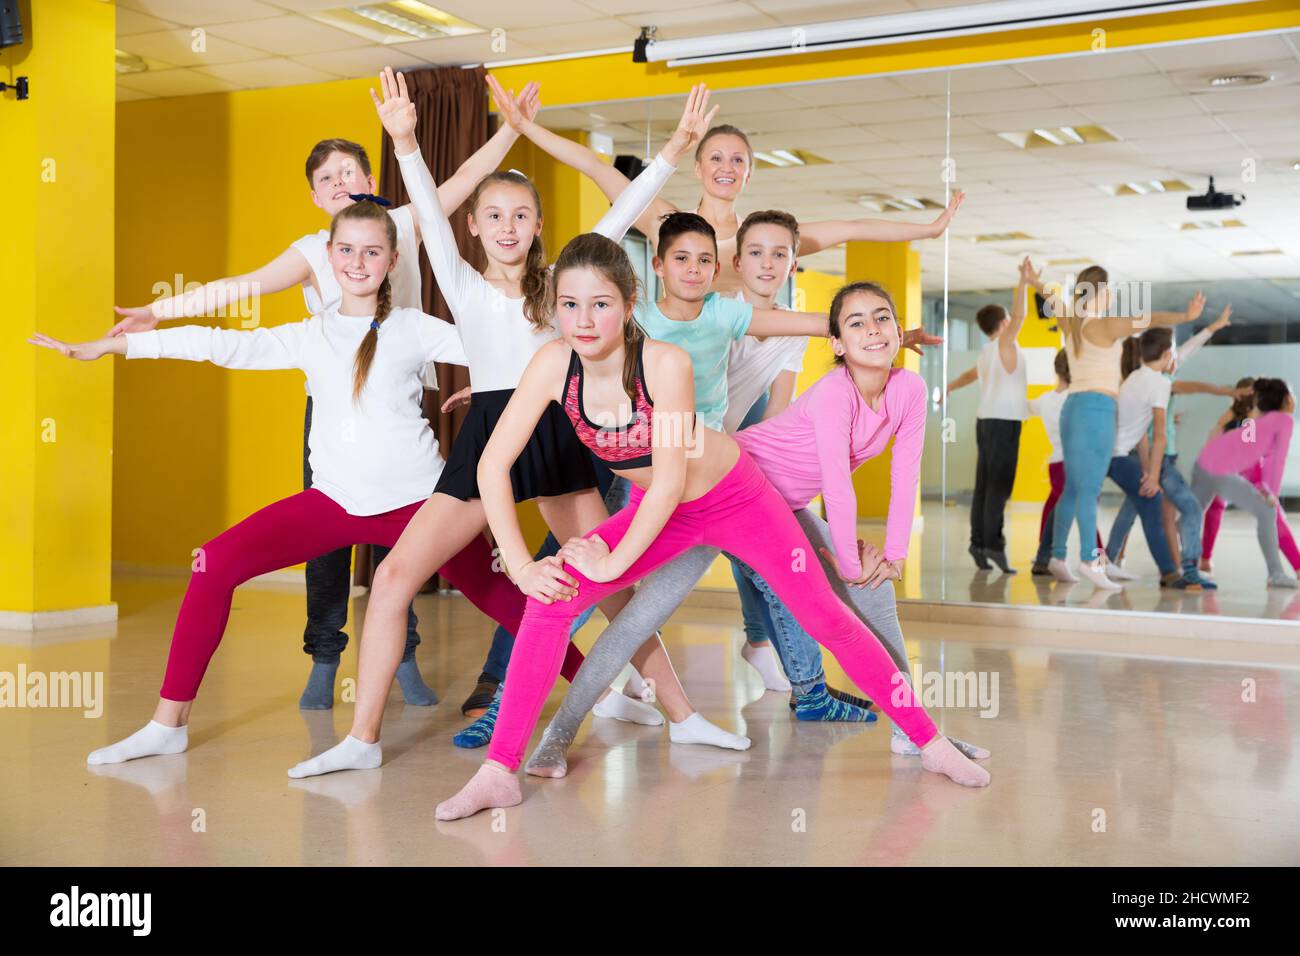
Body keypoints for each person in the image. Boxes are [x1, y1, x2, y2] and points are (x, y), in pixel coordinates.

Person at [433, 233, 991, 820]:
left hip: (737, 496)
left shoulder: (663, 364)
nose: (584, 320)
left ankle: (927, 742)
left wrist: (612, 563)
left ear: (628, 303)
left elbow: (670, 479)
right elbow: (493, 463)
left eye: (600, 303)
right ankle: (499, 771)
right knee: (548, 602)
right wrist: (522, 567)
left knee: (828, 616)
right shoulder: (552, 364)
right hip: (667, 514)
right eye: (569, 305)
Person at [287, 74, 749, 779]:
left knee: (615, 589)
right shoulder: (461, 280)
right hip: (488, 441)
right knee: (391, 582)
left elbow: (618, 218)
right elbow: (428, 223)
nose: (507, 227)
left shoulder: (564, 282)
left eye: (521, 215)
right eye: (493, 215)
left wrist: (674, 152)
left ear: (538, 226)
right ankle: (362, 736)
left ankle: (681, 716)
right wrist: (406, 140)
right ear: (474, 226)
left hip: (558, 434)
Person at [29, 199, 526, 766]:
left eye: (371, 252)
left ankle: (605, 688)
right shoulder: (309, 335)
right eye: (346, 251)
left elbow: (507, 354)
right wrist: (117, 345)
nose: (357, 262)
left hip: (421, 507)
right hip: (334, 503)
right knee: (213, 563)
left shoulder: (415, 327)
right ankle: (168, 724)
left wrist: (488, 388)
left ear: (392, 261)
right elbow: (221, 346)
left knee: (518, 606)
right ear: (328, 259)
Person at [105, 86, 542, 709]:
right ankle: (325, 657)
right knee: (330, 541)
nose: (339, 182)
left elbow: (469, 176)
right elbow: (238, 290)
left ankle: (402, 658)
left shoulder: (405, 223)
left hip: (403, 393)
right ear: (315, 197)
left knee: (405, 542)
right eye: (325, 177)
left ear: (370, 179)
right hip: (334, 402)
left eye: (349, 171)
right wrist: (157, 312)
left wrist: (512, 130)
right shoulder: (317, 251)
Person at [483, 73, 964, 295]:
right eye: (715, 157)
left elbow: (853, 226)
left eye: (738, 160)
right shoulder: (667, 221)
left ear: (749, 172)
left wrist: (928, 230)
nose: (726, 166)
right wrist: (524, 128)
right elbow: (594, 166)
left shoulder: (766, 240)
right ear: (697, 166)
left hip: (745, 370)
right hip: (679, 367)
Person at [1047, 265, 1203, 588]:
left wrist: (1033, 279)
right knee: (1088, 491)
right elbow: (1150, 318)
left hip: (1073, 408)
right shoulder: (1105, 325)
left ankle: (1057, 556)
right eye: (1109, 290)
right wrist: (1186, 316)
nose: (1112, 296)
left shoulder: (1071, 321)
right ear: (1099, 292)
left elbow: (1049, 291)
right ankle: (1091, 561)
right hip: (1097, 409)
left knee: (1074, 489)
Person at [1106, 305, 1238, 587]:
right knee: (1182, 508)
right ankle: (1180, 571)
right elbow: (1158, 436)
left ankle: (1165, 569)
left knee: (1147, 509)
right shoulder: (1159, 383)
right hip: (1154, 458)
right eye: (1173, 353)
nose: (1176, 358)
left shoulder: (1135, 378)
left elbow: (1141, 433)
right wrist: (1152, 473)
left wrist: (1212, 328)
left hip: (1137, 456)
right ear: (1167, 355)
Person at [947, 257, 1035, 573]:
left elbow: (971, 375)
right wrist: (1023, 283)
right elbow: (1021, 315)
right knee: (998, 488)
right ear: (1003, 324)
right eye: (1009, 319)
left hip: (986, 422)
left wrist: (949, 388)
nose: (1013, 321)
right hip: (1003, 423)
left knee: (985, 486)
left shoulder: (987, 352)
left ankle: (978, 543)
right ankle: (993, 546)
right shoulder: (1004, 344)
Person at [1190, 378, 1298, 588]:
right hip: (1231, 469)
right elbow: (1263, 453)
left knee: (1201, 512)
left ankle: (1193, 562)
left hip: (1223, 467)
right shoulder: (1253, 419)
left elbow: (1261, 453)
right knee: (1266, 512)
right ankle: (1194, 563)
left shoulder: (1255, 419)